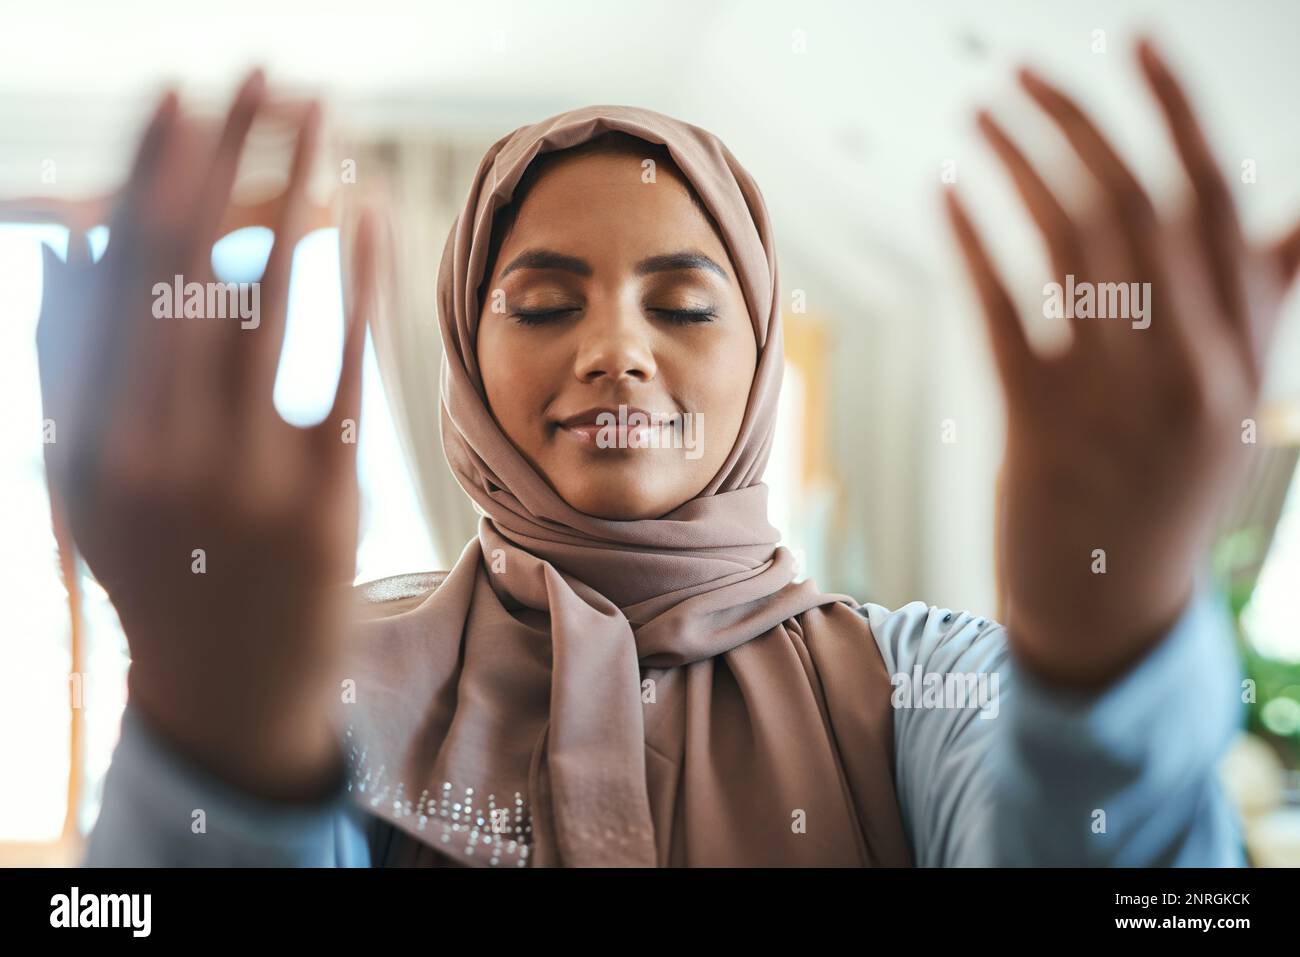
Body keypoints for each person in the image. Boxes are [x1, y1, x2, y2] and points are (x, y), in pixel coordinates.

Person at [54, 38, 1298, 867]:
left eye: (686, 307)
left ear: (758, 356)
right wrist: (214, 739)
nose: (616, 351)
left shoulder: (910, 684)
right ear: (462, 357)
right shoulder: (321, 681)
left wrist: (1111, 633)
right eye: (543, 305)